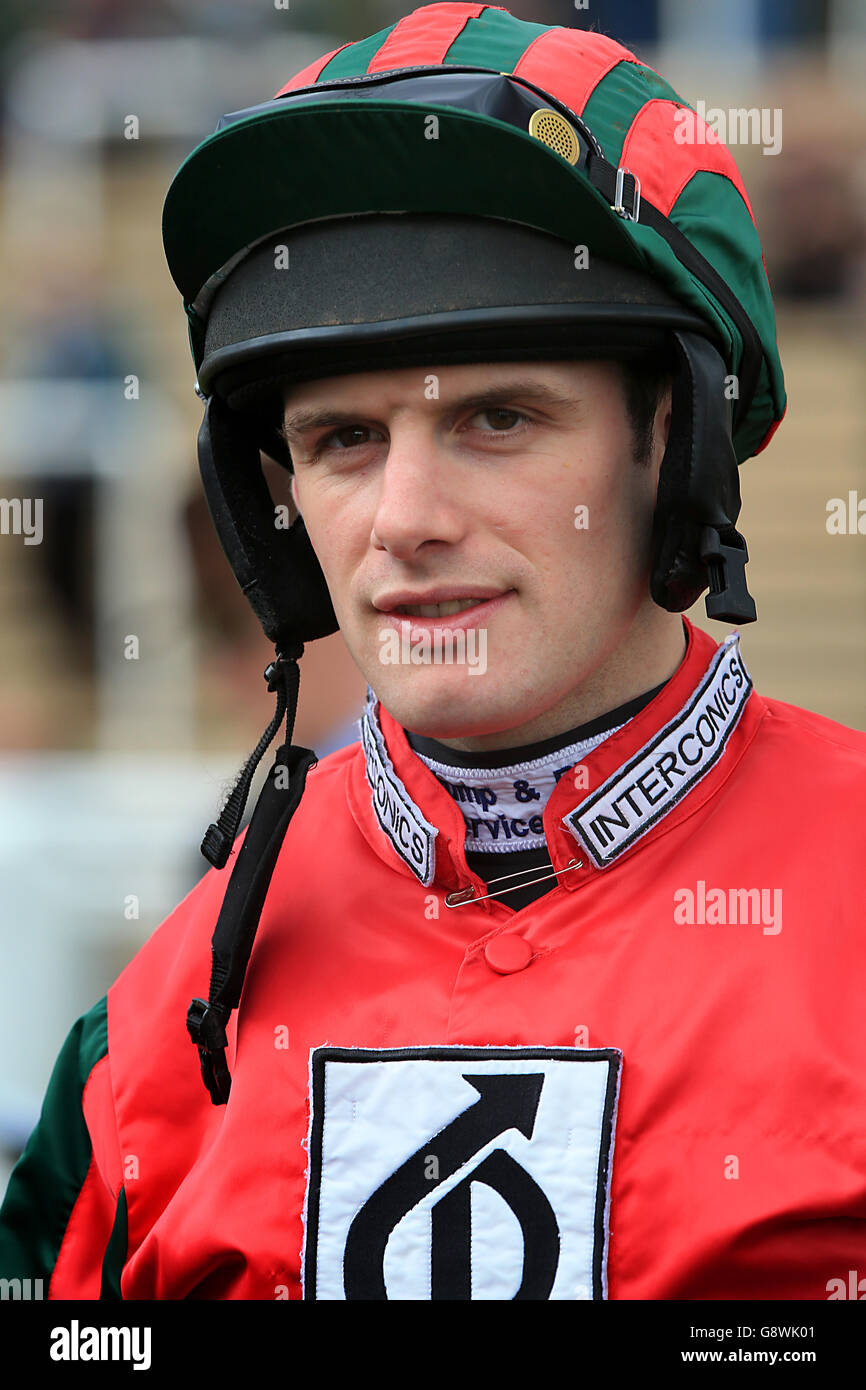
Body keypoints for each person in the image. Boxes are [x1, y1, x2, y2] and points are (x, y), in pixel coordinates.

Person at [1, 3, 864, 1302]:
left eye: (498, 417)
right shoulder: (156, 1015)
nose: (403, 519)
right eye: (343, 437)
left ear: (674, 452)